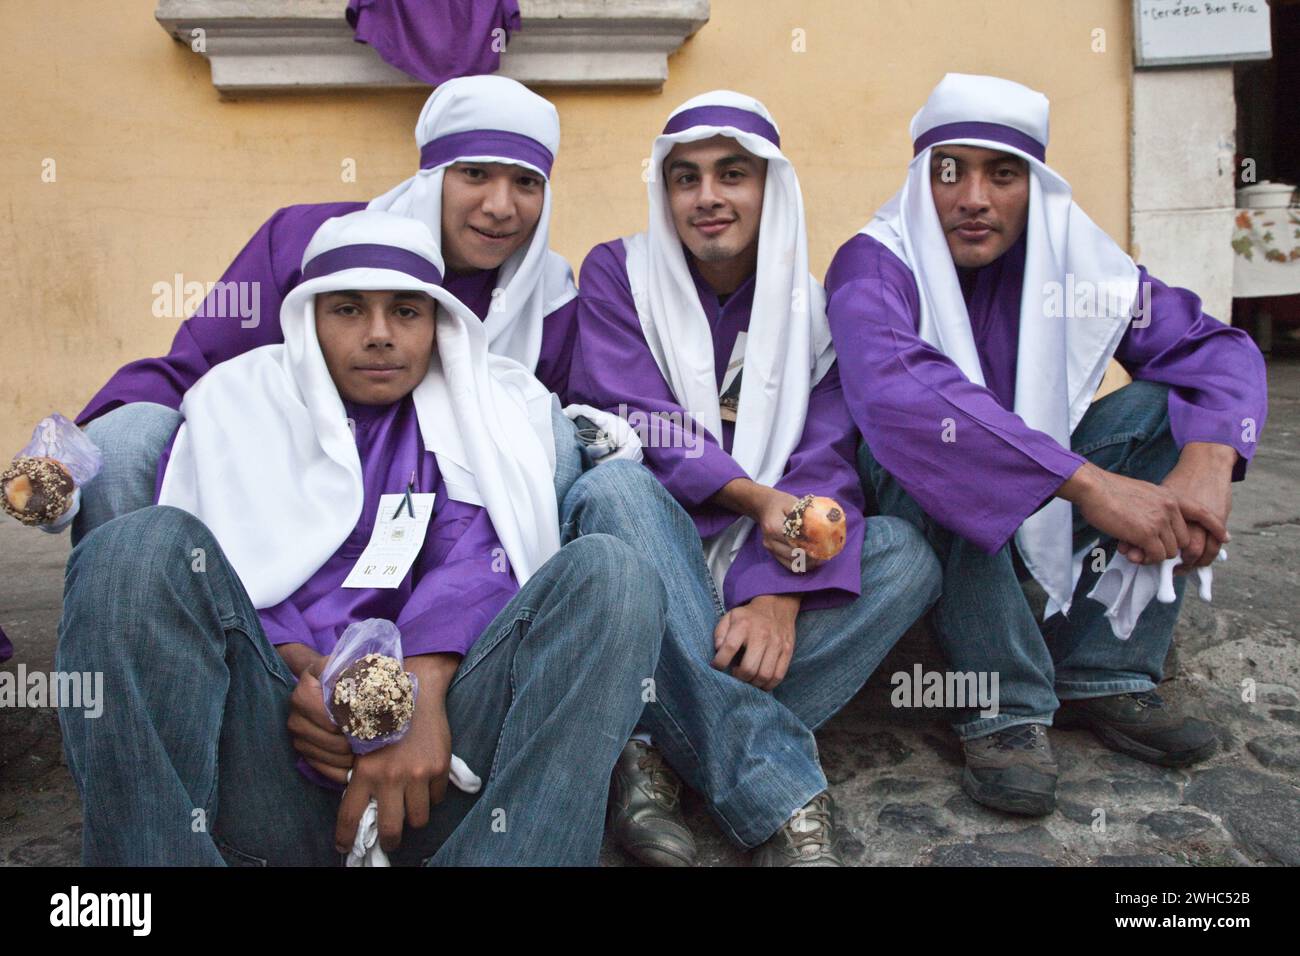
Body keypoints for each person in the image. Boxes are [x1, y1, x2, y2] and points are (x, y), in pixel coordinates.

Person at [56, 210, 664, 866]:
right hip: (273, 752)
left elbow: (487, 562)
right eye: (348, 309)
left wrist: (419, 693)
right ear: (309, 322)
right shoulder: (238, 408)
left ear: (438, 323)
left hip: (444, 766)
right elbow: (216, 573)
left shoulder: (495, 413)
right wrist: (312, 673)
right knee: (132, 551)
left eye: (406, 312)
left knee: (613, 573)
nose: (379, 336)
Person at [824, 73, 1269, 816]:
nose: (974, 197)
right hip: (921, 509)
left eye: (1002, 174)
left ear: (1032, 186)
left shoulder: (1076, 259)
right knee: (914, 443)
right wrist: (1093, 485)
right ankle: (1004, 705)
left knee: (1172, 406)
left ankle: (1105, 670)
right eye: (949, 172)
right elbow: (903, 394)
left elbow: (1214, 349)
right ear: (920, 180)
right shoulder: (872, 263)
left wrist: (1209, 459)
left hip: (1044, 484)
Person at [565, 91, 942, 866]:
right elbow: (633, 414)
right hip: (660, 533)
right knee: (609, 492)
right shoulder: (617, 272)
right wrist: (754, 500)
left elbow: (828, 457)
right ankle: (767, 779)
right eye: (685, 178)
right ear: (663, 193)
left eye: (732, 174)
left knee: (906, 556)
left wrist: (779, 593)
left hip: (769, 547)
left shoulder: (817, 309)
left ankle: (659, 750)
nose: (708, 197)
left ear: (771, 185)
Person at [67, 74, 581, 542]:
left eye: (525, 182)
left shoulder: (549, 294)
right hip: (284, 485)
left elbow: (565, 418)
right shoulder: (308, 243)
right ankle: (143, 627)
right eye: (474, 174)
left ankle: (494, 634)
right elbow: (198, 366)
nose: (500, 205)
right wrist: (76, 447)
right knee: (125, 438)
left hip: (447, 519)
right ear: (434, 177)